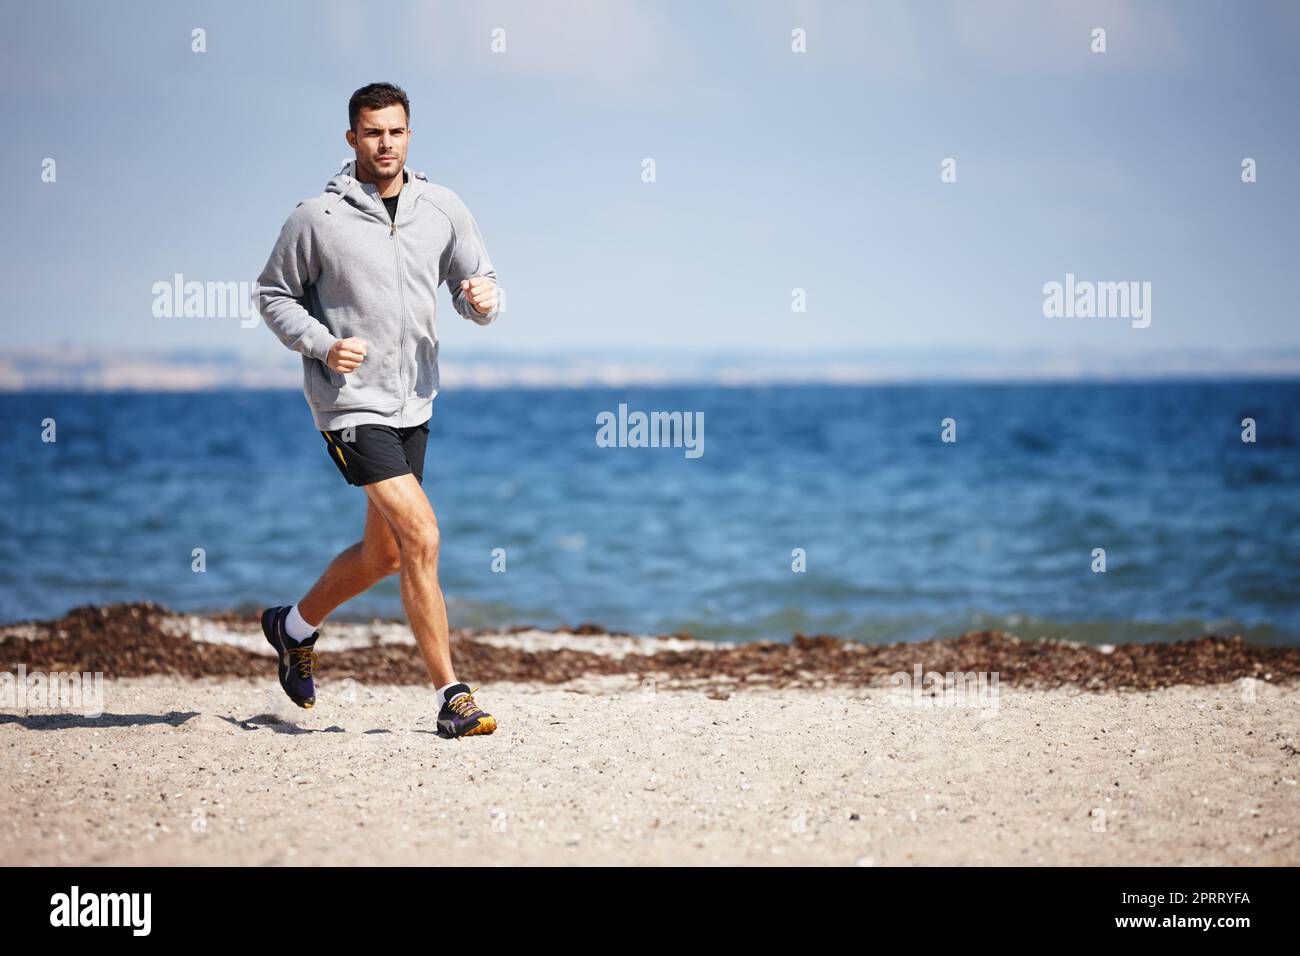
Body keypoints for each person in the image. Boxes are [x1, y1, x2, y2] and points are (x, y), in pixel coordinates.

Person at [253, 82, 501, 739]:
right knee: (422, 535)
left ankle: (294, 626)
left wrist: (480, 300)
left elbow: (481, 285)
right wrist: (322, 344)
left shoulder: (441, 207)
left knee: (384, 554)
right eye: (371, 132)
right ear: (351, 139)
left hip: (413, 399)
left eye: (394, 131)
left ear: (409, 134)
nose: (384, 143)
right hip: (349, 403)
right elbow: (274, 294)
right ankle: (453, 695)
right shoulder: (318, 218)